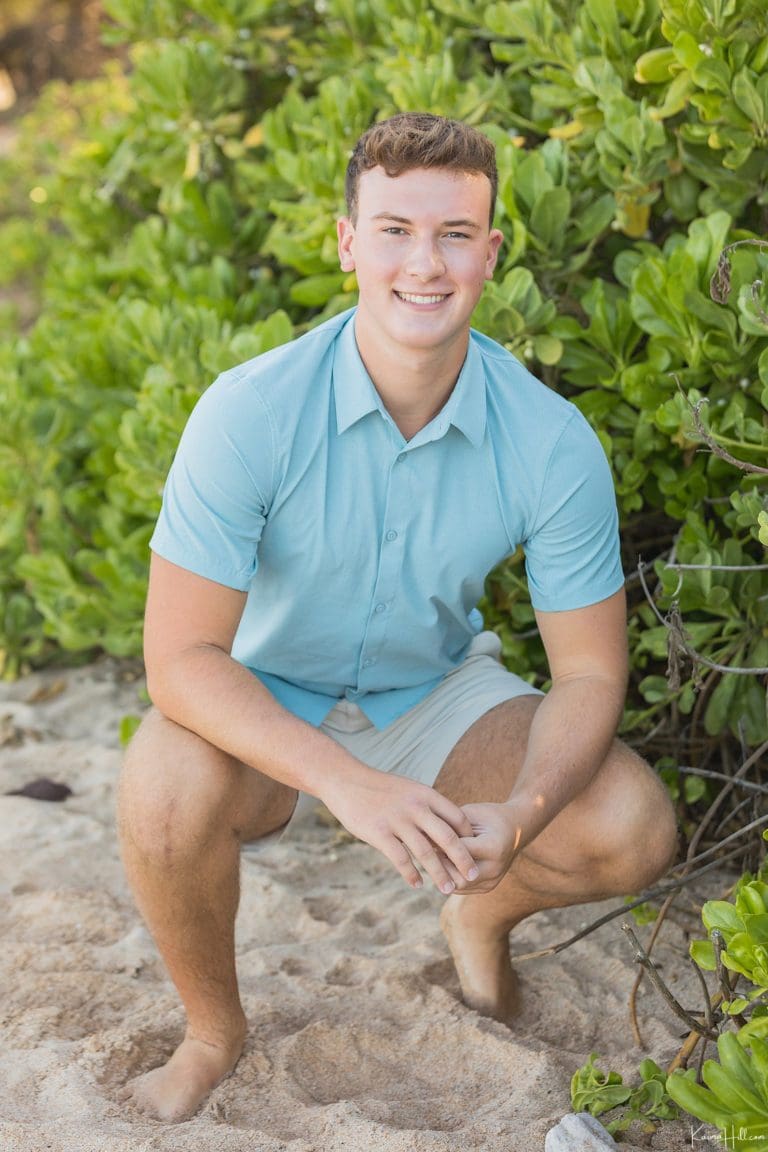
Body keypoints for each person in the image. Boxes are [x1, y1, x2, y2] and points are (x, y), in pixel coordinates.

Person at [117, 112, 677, 1124]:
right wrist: (347, 785)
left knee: (630, 825)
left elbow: (589, 674)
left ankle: (482, 914)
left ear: (492, 253)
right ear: (347, 243)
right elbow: (182, 659)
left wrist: (520, 815)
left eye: (455, 234)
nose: (426, 263)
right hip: (269, 692)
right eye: (394, 230)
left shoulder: (551, 442)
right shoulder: (249, 411)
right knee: (161, 785)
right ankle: (213, 1031)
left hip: (434, 689)